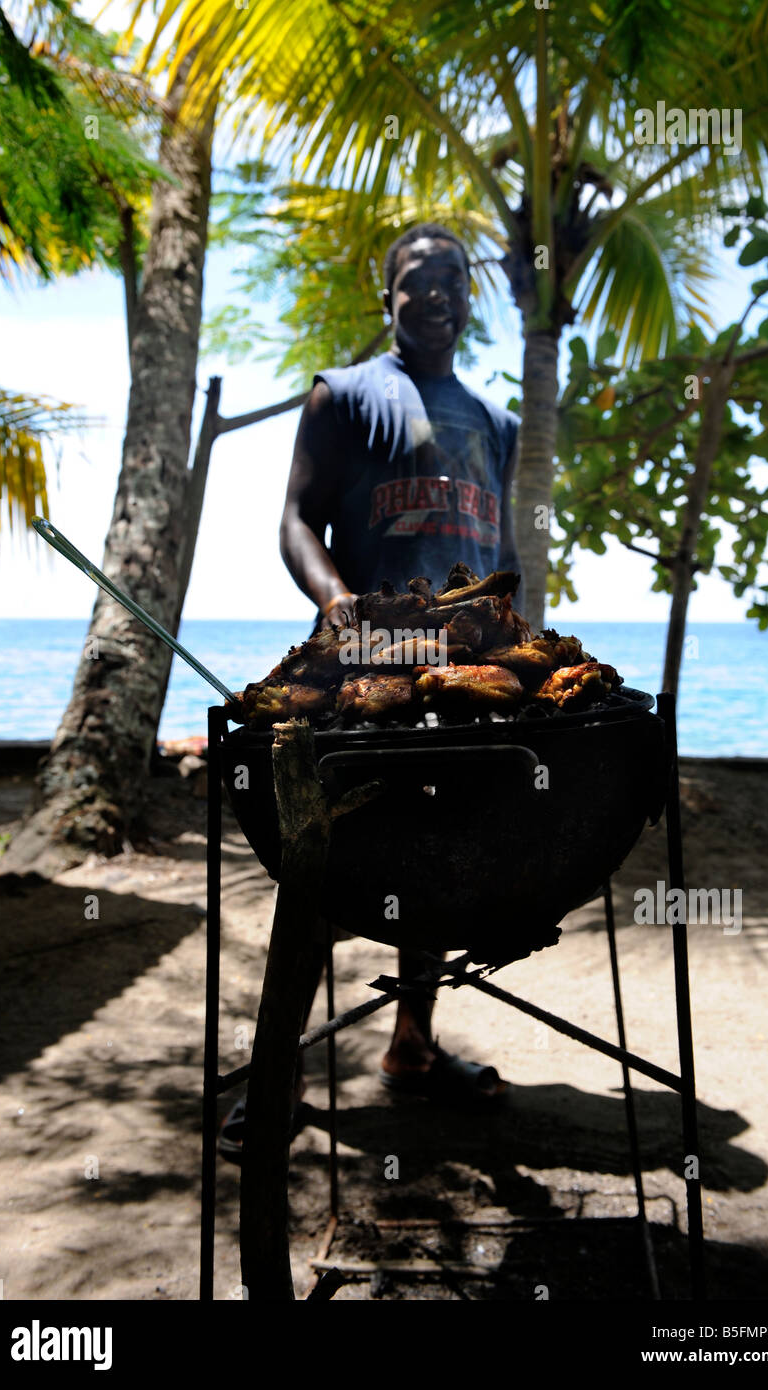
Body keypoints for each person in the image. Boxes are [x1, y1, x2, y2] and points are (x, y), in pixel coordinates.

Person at [219, 223, 521, 1157]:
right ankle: (276, 1076)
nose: (436, 297)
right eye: (416, 284)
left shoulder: (495, 423)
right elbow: (297, 521)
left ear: (472, 299)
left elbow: (501, 563)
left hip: (461, 675)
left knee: (434, 852)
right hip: (366, 667)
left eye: (453, 283)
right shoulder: (344, 395)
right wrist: (340, 605)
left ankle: (413, 1047)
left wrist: (514, 652)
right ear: (385, 298)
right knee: (325, 857)